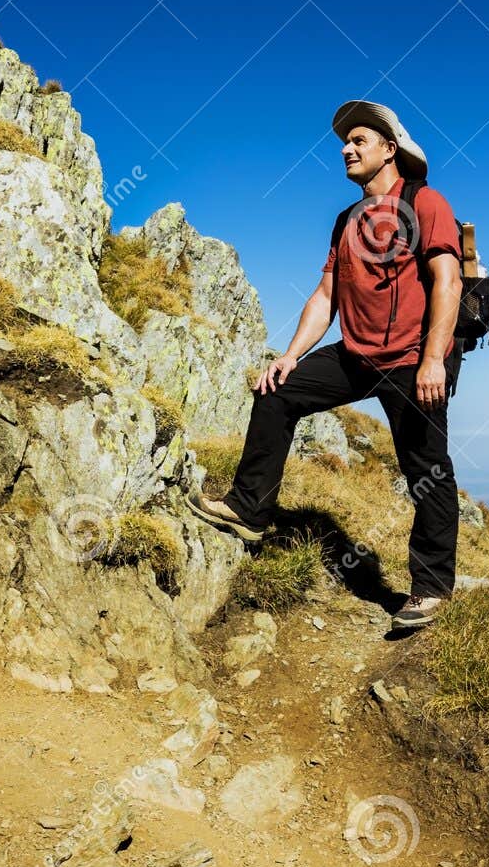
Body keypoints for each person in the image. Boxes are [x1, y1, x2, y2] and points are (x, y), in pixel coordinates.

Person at [188, 99, 463, 631]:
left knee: (426, 470)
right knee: (277, 393)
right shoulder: (347, 222)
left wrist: (434, 360)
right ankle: (250, 510)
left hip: (412, 360)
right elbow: (324, 296)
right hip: (356, 355)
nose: (346, 148)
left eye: (360, 140)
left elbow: (447, 282)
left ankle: (429, 589)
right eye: (346, 141)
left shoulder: (427, 203)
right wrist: (289, 356)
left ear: (391, 150)